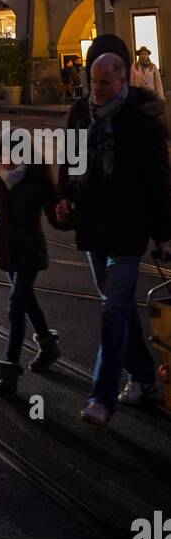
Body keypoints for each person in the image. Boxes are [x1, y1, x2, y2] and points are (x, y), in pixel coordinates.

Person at [57, 37, 171, 426]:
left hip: (128, 226)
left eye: (104, 83)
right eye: (93, 81)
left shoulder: (140, 119)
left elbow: (158, 178)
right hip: (92, 225)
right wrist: (64, 197)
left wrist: (163, 232)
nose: (97, 89)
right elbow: (70, 162)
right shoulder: (80, 113)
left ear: (122, 81)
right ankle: (142, 378)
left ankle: (101, 399)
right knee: (118, 307)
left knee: (112, 310)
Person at [0, 156, 60, 397]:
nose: (6, 160)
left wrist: (65, 213)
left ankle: (9, 372)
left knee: (16, 305)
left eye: (11, 154)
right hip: (6, 250)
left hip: (29, 251)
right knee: (26, 300)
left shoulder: (36, 179)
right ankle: (47, 345)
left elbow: (55, 216)